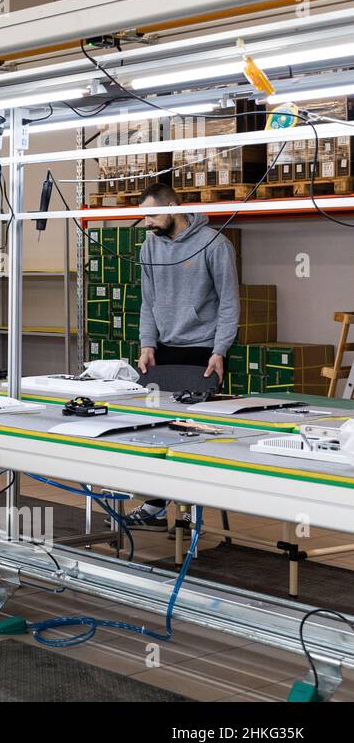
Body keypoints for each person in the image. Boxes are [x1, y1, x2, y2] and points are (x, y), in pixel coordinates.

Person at [129, 182, 240, 524]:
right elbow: (148, 299)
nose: (147, 222)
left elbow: (229, 302)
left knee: (194, 431)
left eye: (152, 214)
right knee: (153, 426)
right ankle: (156, 504)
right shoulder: (150, 245)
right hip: (163, 348)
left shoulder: (214, 244)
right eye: (143, 215)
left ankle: (193, 510)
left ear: (174, 208)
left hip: (203, 351)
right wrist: (147, 344)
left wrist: (220, 350)